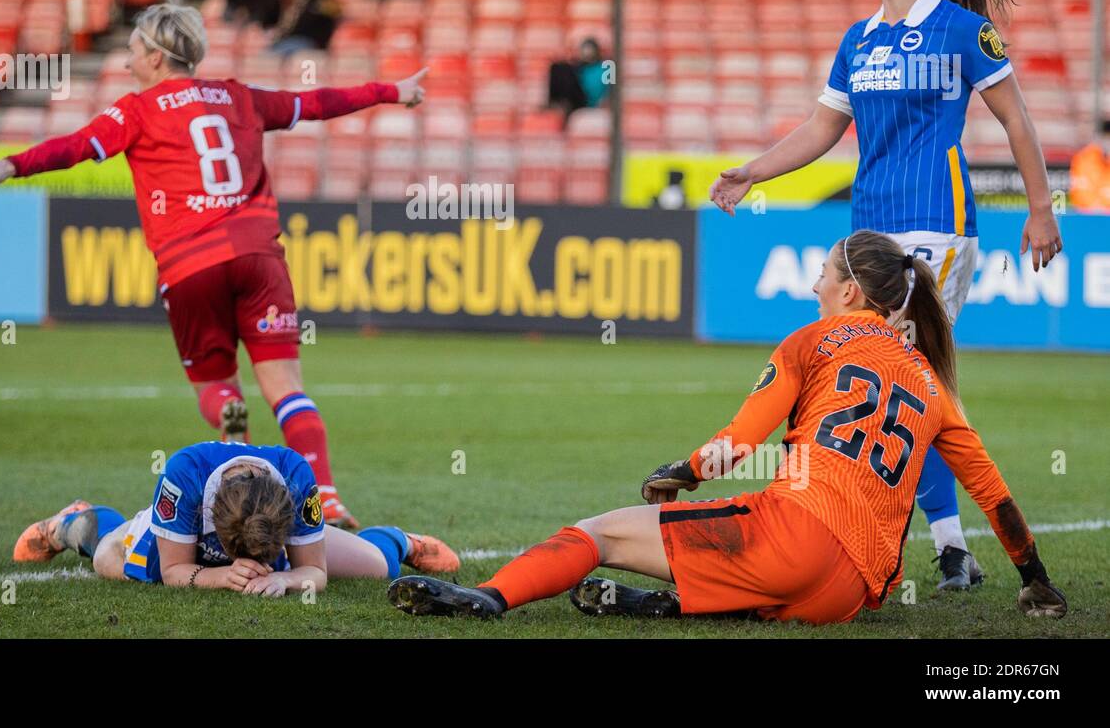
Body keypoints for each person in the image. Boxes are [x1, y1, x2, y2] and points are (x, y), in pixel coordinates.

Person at [389, 230, 1068, 624]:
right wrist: (1033, 576)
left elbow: (739, 445)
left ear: (851, 293)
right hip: (853, 593)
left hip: (794, 537)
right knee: (758, 573)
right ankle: (655, 607)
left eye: (823, 275)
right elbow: (995, 493)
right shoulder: (932, 384)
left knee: (594, 533)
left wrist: (678, 473)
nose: (813, 287)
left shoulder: (816, 340)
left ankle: (487, 597)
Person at [708, 0, 1063, 591]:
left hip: (937, 227)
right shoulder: (858, 40)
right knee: (892, 387)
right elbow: (820, 129)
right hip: (867, 233)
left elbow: (1017, 119)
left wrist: (1041, 209)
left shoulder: (965, 32)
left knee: (897, 379)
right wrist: (754, 170)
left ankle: (903, 544)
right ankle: (948, 548)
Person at [0, 3, 428, 529]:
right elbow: (318, 101)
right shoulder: (238, 96)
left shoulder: (136, 111)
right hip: (257, 257)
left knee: (216, 384)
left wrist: (10, 164)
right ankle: (325, 499)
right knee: (288, 390)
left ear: (158, 57)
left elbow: (75, 148)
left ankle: (240, 454)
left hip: (190, 265)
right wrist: (393, 91)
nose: (125, 61)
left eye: (133, 49)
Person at [13, 440, 460, 594]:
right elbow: (174, 570)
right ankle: (75, 521)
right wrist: (216, 575)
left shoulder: (297, 477)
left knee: (377, 568)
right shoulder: (183, 478)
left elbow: (315, 571)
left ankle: (403, 540)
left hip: (267, 531)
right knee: (108, 559)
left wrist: (288, 578)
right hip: (182, 540)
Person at [270, 0, 340, 57]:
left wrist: (316, 7)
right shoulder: (295, 1)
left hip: (309, 41)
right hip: (289, 40)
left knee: (276, 54)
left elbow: (336, 10)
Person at [546, 38, 608, 124]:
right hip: (578, 100)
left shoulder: (606, 67)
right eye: (585, 49)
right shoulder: (578, 68)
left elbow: (611, 88)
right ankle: (557, 105)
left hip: (593, 102)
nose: (588, 53)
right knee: (558, 68)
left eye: (590, 49)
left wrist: (606, 101)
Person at [1070, 118, 1110, 212]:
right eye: (1106, 138)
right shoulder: (1083, 158)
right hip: (1088, 216)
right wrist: (1096, 207)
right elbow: (1079, 192)